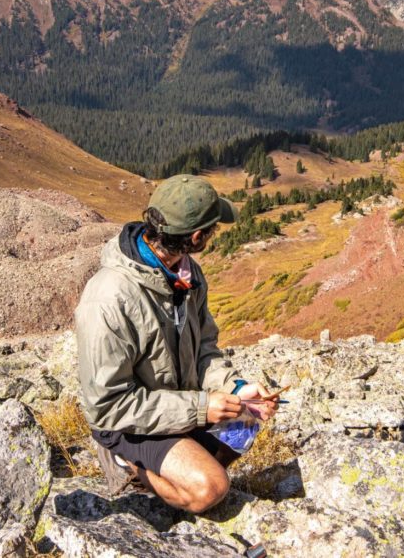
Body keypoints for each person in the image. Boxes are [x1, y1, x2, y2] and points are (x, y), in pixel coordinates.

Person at [75, 174, 278, 512]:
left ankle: (178, 468)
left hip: (177, 403)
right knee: (210, 489)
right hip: (127, 423)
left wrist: (236, 387)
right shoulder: (109, 298)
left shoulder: (189, 275)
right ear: (196, 237)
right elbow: (107, 406)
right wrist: (200, 408)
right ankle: (127, 465)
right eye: (212, 230)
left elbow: (204, 349)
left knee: (248, 419)